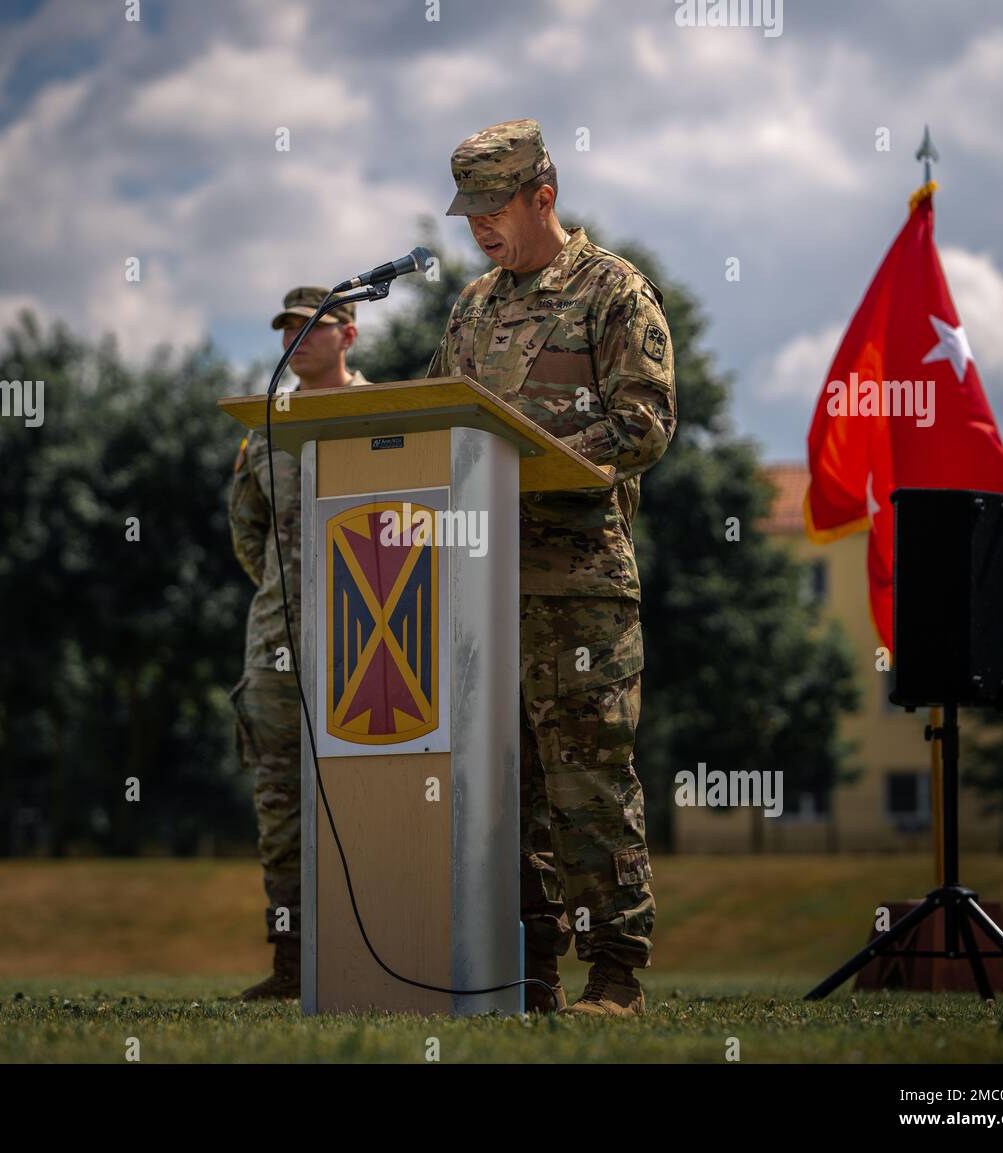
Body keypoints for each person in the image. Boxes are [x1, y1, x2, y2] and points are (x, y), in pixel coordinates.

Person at [427, 119, 677, 1016]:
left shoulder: (614, 292)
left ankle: (615, 974)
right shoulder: (472, 305)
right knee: (504, 789)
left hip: (578, 588)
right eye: (470, 212)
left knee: (588, 782)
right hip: (481, 588)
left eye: (496, 208)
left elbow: (645, 423)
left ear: (544, 197)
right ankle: (525, 977)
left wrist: (535, 454)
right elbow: (438, 423)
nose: (481, 227)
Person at [228, 286, 368, 999]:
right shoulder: (264, 430)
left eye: (314, 327)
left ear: (348, 336)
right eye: (288, 328)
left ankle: (372, 949)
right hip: (279, 642)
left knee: (371, 789)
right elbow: (248, 531)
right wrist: (295, 592)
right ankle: (291, 961)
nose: (297, 338)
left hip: (371, 641)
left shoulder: (385, 417)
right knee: (281, 800)